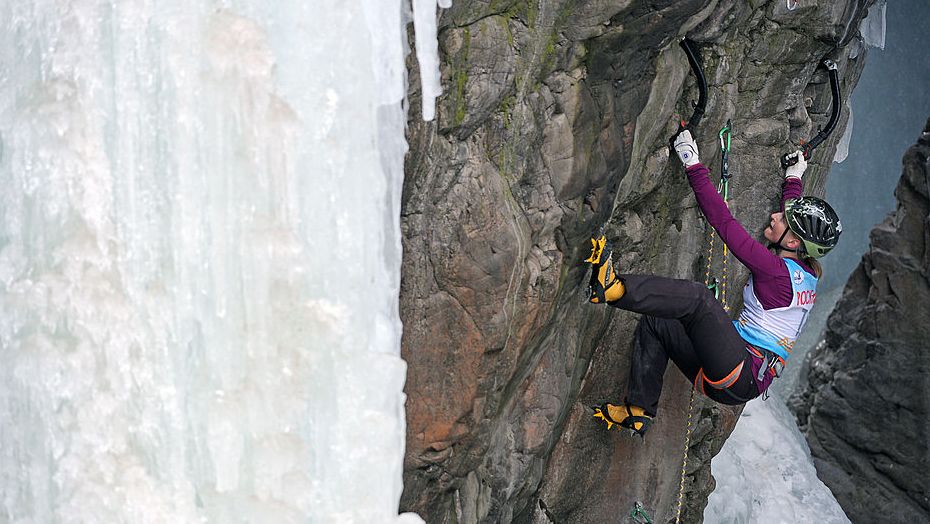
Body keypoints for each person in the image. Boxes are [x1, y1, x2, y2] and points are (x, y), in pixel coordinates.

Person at [585, 129, 842, 436]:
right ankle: (638, 410)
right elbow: (794, 218)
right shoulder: (807, 274)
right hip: (733, 378)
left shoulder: (776, 272)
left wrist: (692, 164)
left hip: (738, 370)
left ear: (794, 243)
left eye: (783, 220)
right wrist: (794, 177)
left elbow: (723, 222)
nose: (775, 216)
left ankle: (613, 288)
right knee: (658, 321)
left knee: (698, 299)